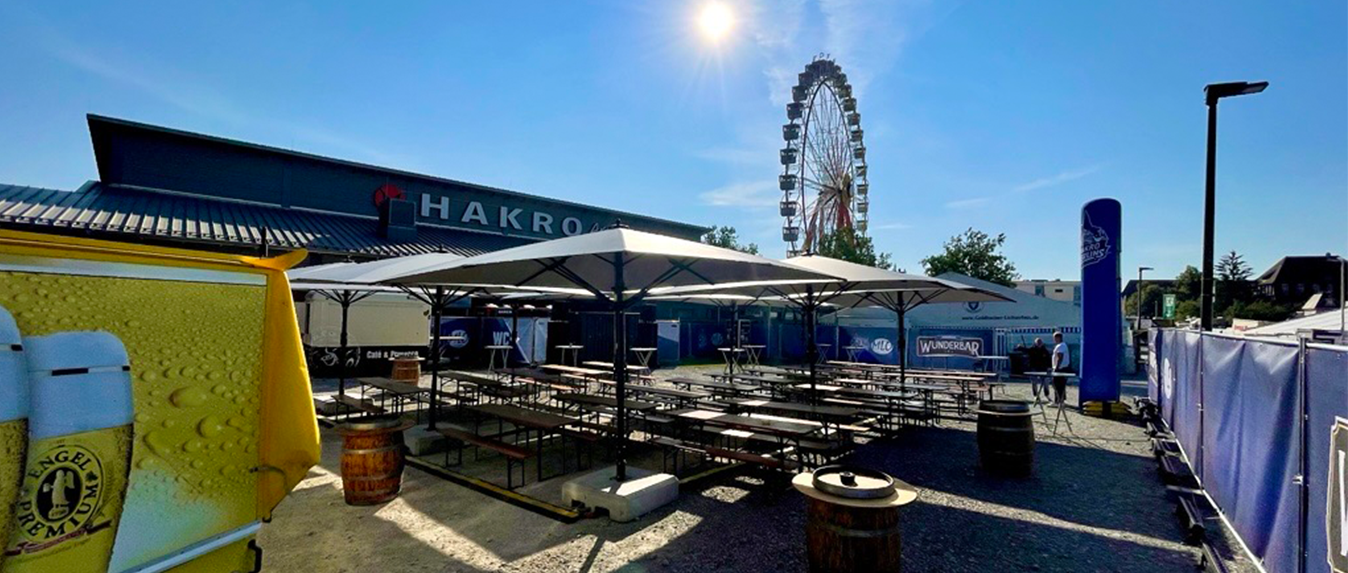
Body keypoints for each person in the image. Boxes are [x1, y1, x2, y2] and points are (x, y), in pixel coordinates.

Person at [1050, 331, 1072, 404]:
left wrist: (1057, 367)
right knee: (1060, 385)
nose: (1054, 340)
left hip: (1060, 369)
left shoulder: (1061, 346)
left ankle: (1058, 401)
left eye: (1055, 338)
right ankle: (1061, 399)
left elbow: (1060, 357)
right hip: (1061, 368)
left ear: (1058, 338)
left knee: (1057, 385)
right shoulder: (1062, 345)